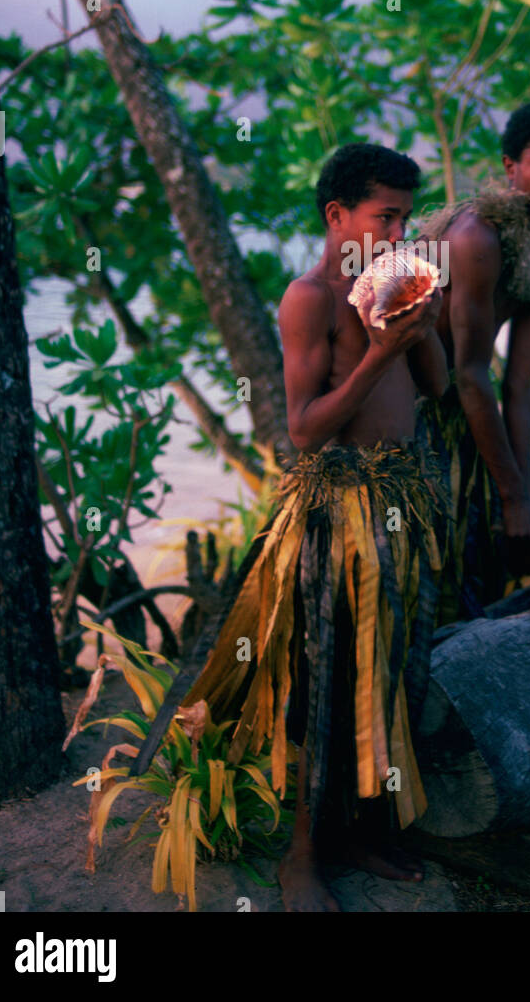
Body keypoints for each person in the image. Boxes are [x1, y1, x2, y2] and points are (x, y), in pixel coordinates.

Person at [182, 143, 450, 912]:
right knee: (325, 678)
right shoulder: (310, 299)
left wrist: (420, 326)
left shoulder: (393, 283)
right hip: (337, 509)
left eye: (405, 216)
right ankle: (301, 856)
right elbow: (304, 431)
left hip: (401, 504)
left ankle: (362, 830)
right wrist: (377, 351)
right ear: (338, 216)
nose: (398, 231)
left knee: (392, 672)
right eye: (384, 216)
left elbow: (434, 388)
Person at [417, 99, 530, 621]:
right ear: (510, 167)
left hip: (470, 419)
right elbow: (469, 374)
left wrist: (527, 498)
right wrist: (512, 497)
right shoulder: (475, 238)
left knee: (526, 543)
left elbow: (518, 386)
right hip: (413, 417)